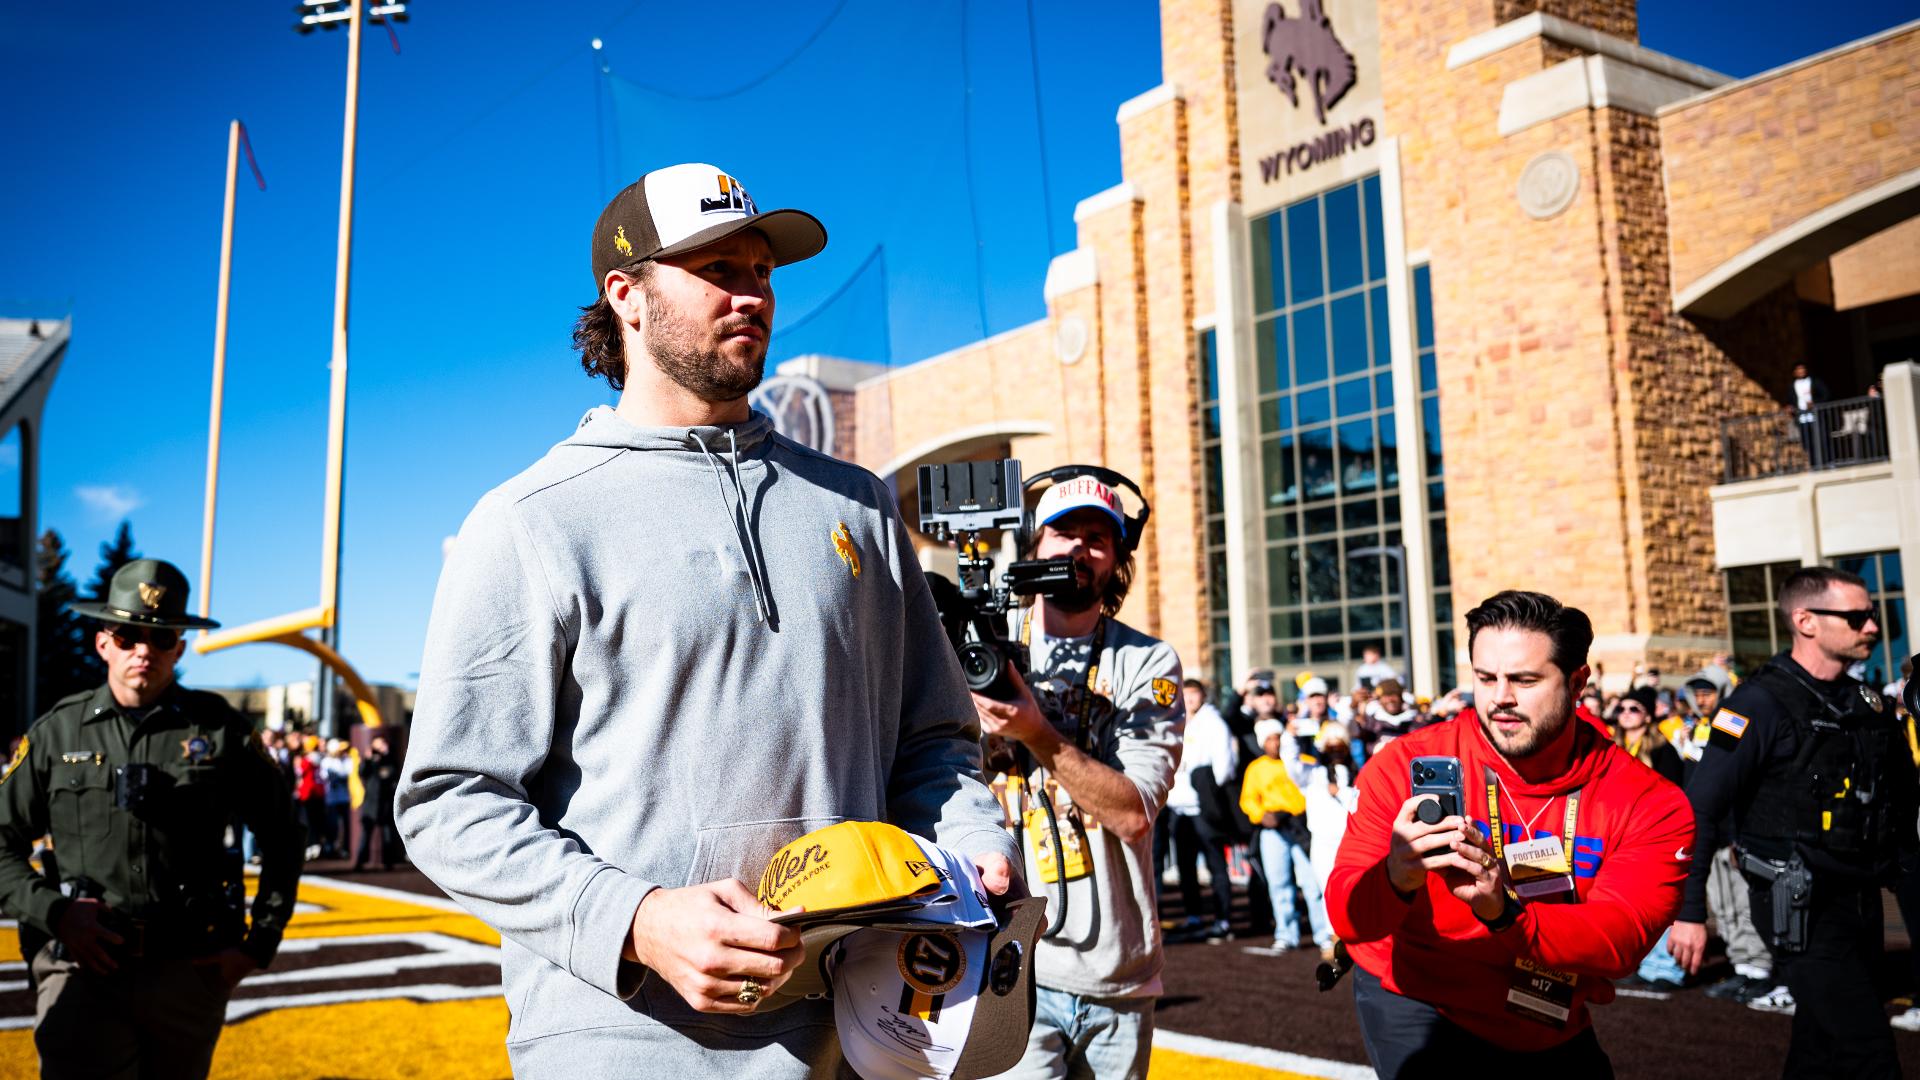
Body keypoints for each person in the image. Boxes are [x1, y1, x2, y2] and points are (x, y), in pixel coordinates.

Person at [394, 163, 1017, 1078]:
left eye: (760, 271)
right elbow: (451, 801)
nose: (751, 294)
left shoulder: (860, 508)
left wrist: (973, 842)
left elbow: (932, 741)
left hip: (858, 1032)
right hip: (622, 1041)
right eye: (717, 269)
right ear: (627, 296)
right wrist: (638, 920)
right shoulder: (532, 519)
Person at [1326, 590, 1694, 1077]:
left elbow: (1621, 937)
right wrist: (1395, 876)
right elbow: (1349, 914)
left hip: (1546, 1006)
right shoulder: (1404, 765)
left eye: (1524, 679)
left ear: (1578, 681)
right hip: (1417, 993)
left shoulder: (1647, 800)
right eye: (1485, 677)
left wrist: (1505, 913)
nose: (1500, 697)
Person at [0, 559, 303, 1080]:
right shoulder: (57, 732)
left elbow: (283, 834)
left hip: (189, 971)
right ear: (103, 643)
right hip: (82, 968)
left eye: (162, 638)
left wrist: (259, 944)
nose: (145, 649)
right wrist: (54, 913)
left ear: (180, 648)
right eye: (129, 635)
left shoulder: (221, 730)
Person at [971, 469, 1183, 1080]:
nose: (1079, 549)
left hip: (1115, 973)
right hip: (1008, 964)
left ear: (1118, 558)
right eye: (1063, 533)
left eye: (1098, 537)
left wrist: (1036, 730)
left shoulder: (1147, 661)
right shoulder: (980, 645)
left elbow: (1133, 813)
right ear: (1033, 547)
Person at [1668, 567, 1917, 1077]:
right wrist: (1689, 912)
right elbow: (1701, 809)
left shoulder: (1864, 704)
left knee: (1819, 1047)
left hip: (1862, 899)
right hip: (1798, 904)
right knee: (1867, 1049)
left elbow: (1901, 810)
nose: (1872, 626)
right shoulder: (1757, 704)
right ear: (1805, 621)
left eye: (1872, 615)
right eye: (1856, 617)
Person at [1241, 718, 1332, 958]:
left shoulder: (1303, 763)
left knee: (1312, 883)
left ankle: (1324, 935)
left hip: (1299, 827)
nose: (1275, 742)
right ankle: (1286, 934)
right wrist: (1261, 816)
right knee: (1279, 884)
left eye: (1278, 737)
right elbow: (1248, 799)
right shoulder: (1256, 768)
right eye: (1270, 738)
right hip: (1272, 830)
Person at [1164, 679, 1237, 940]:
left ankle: (1223, 919)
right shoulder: (1178, 720)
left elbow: (1225, 764)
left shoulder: (1213, 723)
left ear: (1203, 696)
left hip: (1203, 807)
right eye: (1186, 695)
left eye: (1194, 694)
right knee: (1185, 866)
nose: (1190, 699)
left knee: (1216, 863)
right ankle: (1194, 915)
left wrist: (1207, 792)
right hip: (1179, 806)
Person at [1609, 687, 1682, 786]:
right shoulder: (1611, 746)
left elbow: (1671, 788)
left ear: (1648, 717)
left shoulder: (1663, 750)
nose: (1626, 713)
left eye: (1634, 709)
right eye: (1621, 709)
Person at [353, 734, 401, 871]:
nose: (379, 748)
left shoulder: (390, 759)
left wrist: (385, 756)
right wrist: (368, 759)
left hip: (385, 803)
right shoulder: (370, 761)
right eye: (376, 744)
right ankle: (360, 862)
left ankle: (388, 863)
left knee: (387, 835)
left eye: (382, 744)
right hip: (370, 803)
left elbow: (392, 774)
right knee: (365, 835)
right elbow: (362, 772)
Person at [321, 739, 353, 859]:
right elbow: (325, 776)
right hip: (332, 798)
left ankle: (345, 848)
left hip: (344, 797)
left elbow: (346, 774)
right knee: (332, 824)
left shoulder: (346, 760)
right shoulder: (326, 761)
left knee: (346, 825)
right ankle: (331, 846)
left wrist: (336, 775)